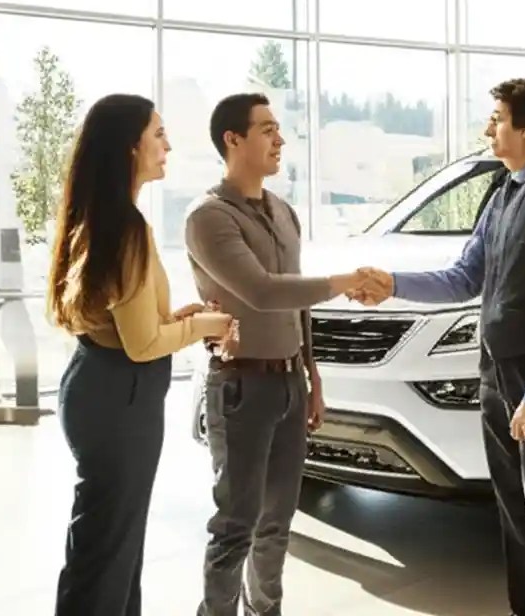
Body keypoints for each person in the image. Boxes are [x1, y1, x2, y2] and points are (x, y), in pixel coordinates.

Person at [352, 79, 525, 616]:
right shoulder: (503, 192)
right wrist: (392, 284)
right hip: (495, 371)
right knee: (511, 505)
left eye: (498, 118)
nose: (489, 128)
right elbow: (464, 277)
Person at [46, 93, 235, 616]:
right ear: (130, 147)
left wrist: (178, 318)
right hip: (120, 400)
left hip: (101, 387)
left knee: (109, 549)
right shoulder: (127, 228)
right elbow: (142, 344)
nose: (167, 145)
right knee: (108, 556)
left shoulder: (103, 219)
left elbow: (132, 324)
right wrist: (206, 326)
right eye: (158, 134)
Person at [185, 92, 372, 616]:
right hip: (241, 388)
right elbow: (263, 292)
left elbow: (296, 304)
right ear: (233, 139)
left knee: (276, 525)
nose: (280, 139)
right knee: (236, 526)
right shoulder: (208, 217)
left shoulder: (284, 213)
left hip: (290, 384)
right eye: (267, 129)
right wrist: (346, 281)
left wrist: (311, 375)